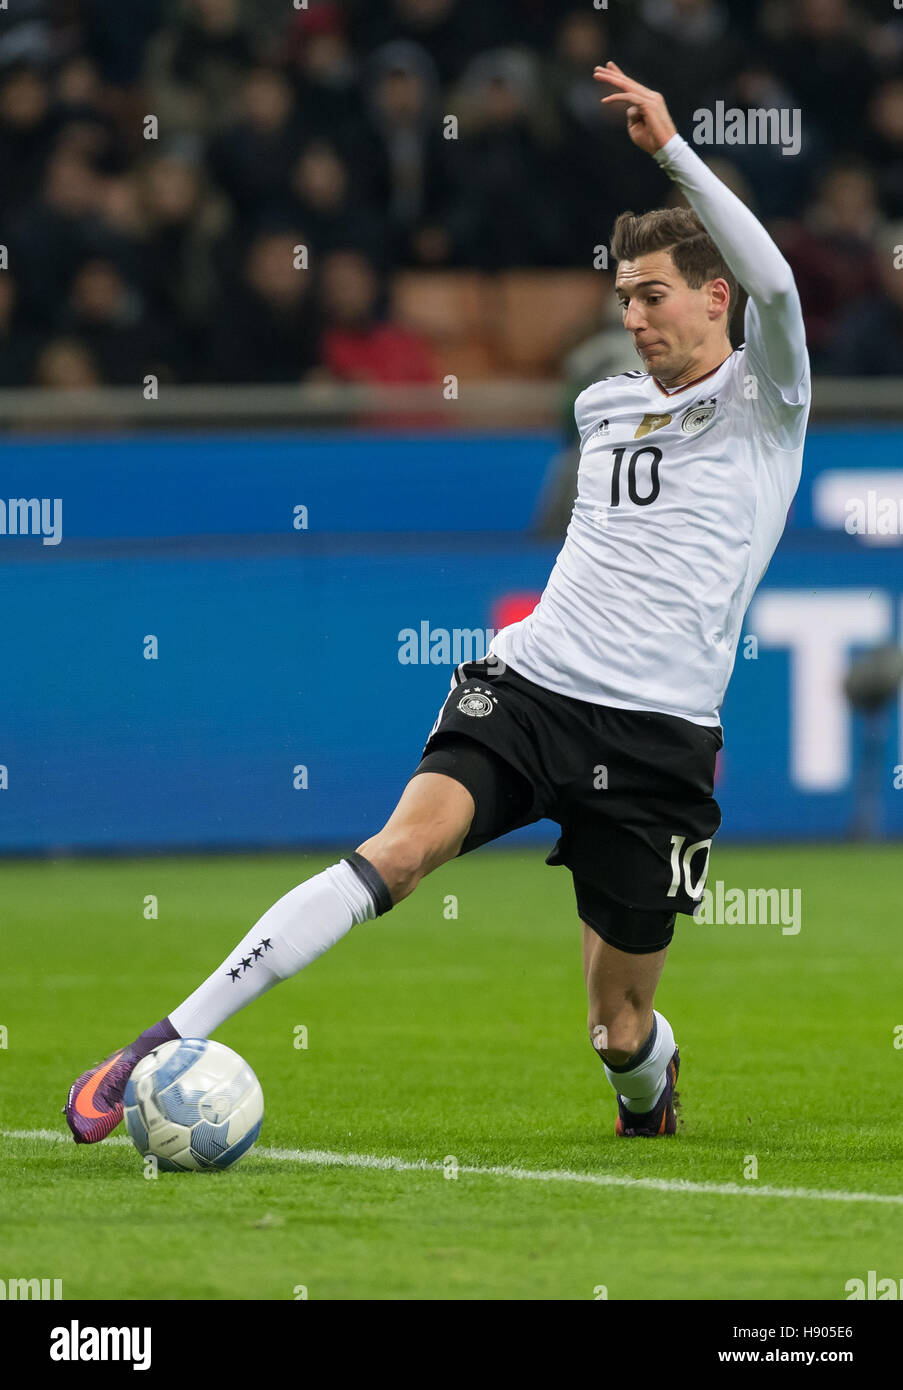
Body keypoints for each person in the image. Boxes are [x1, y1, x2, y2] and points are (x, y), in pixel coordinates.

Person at [66, 63, 810, 1145]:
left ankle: (648, 1090)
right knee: (400, 853)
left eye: (653, 295)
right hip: (533, 689)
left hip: (660, 741)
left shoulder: (765, 402)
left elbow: (783, 287)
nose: (635, 318)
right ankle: (154, 1041)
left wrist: (669, 152)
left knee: (619, 1024)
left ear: (713, 296)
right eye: (622, 300)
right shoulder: (602, 404)